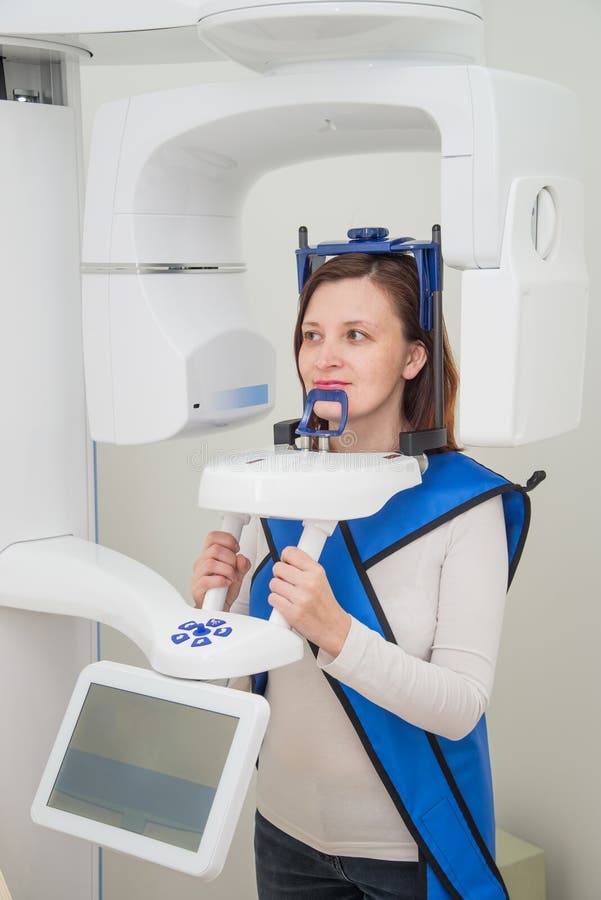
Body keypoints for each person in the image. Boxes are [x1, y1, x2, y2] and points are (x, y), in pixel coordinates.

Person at [192, 251, 532, 900]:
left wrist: (337, 635)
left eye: (356, 335)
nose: (325, 357)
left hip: (401, 853)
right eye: (311, 336)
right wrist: (219, 612)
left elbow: (459, 707)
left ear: (412, 357)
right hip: (283, 836)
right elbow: (239, 688)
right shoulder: (269, 487)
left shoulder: (464, 505)